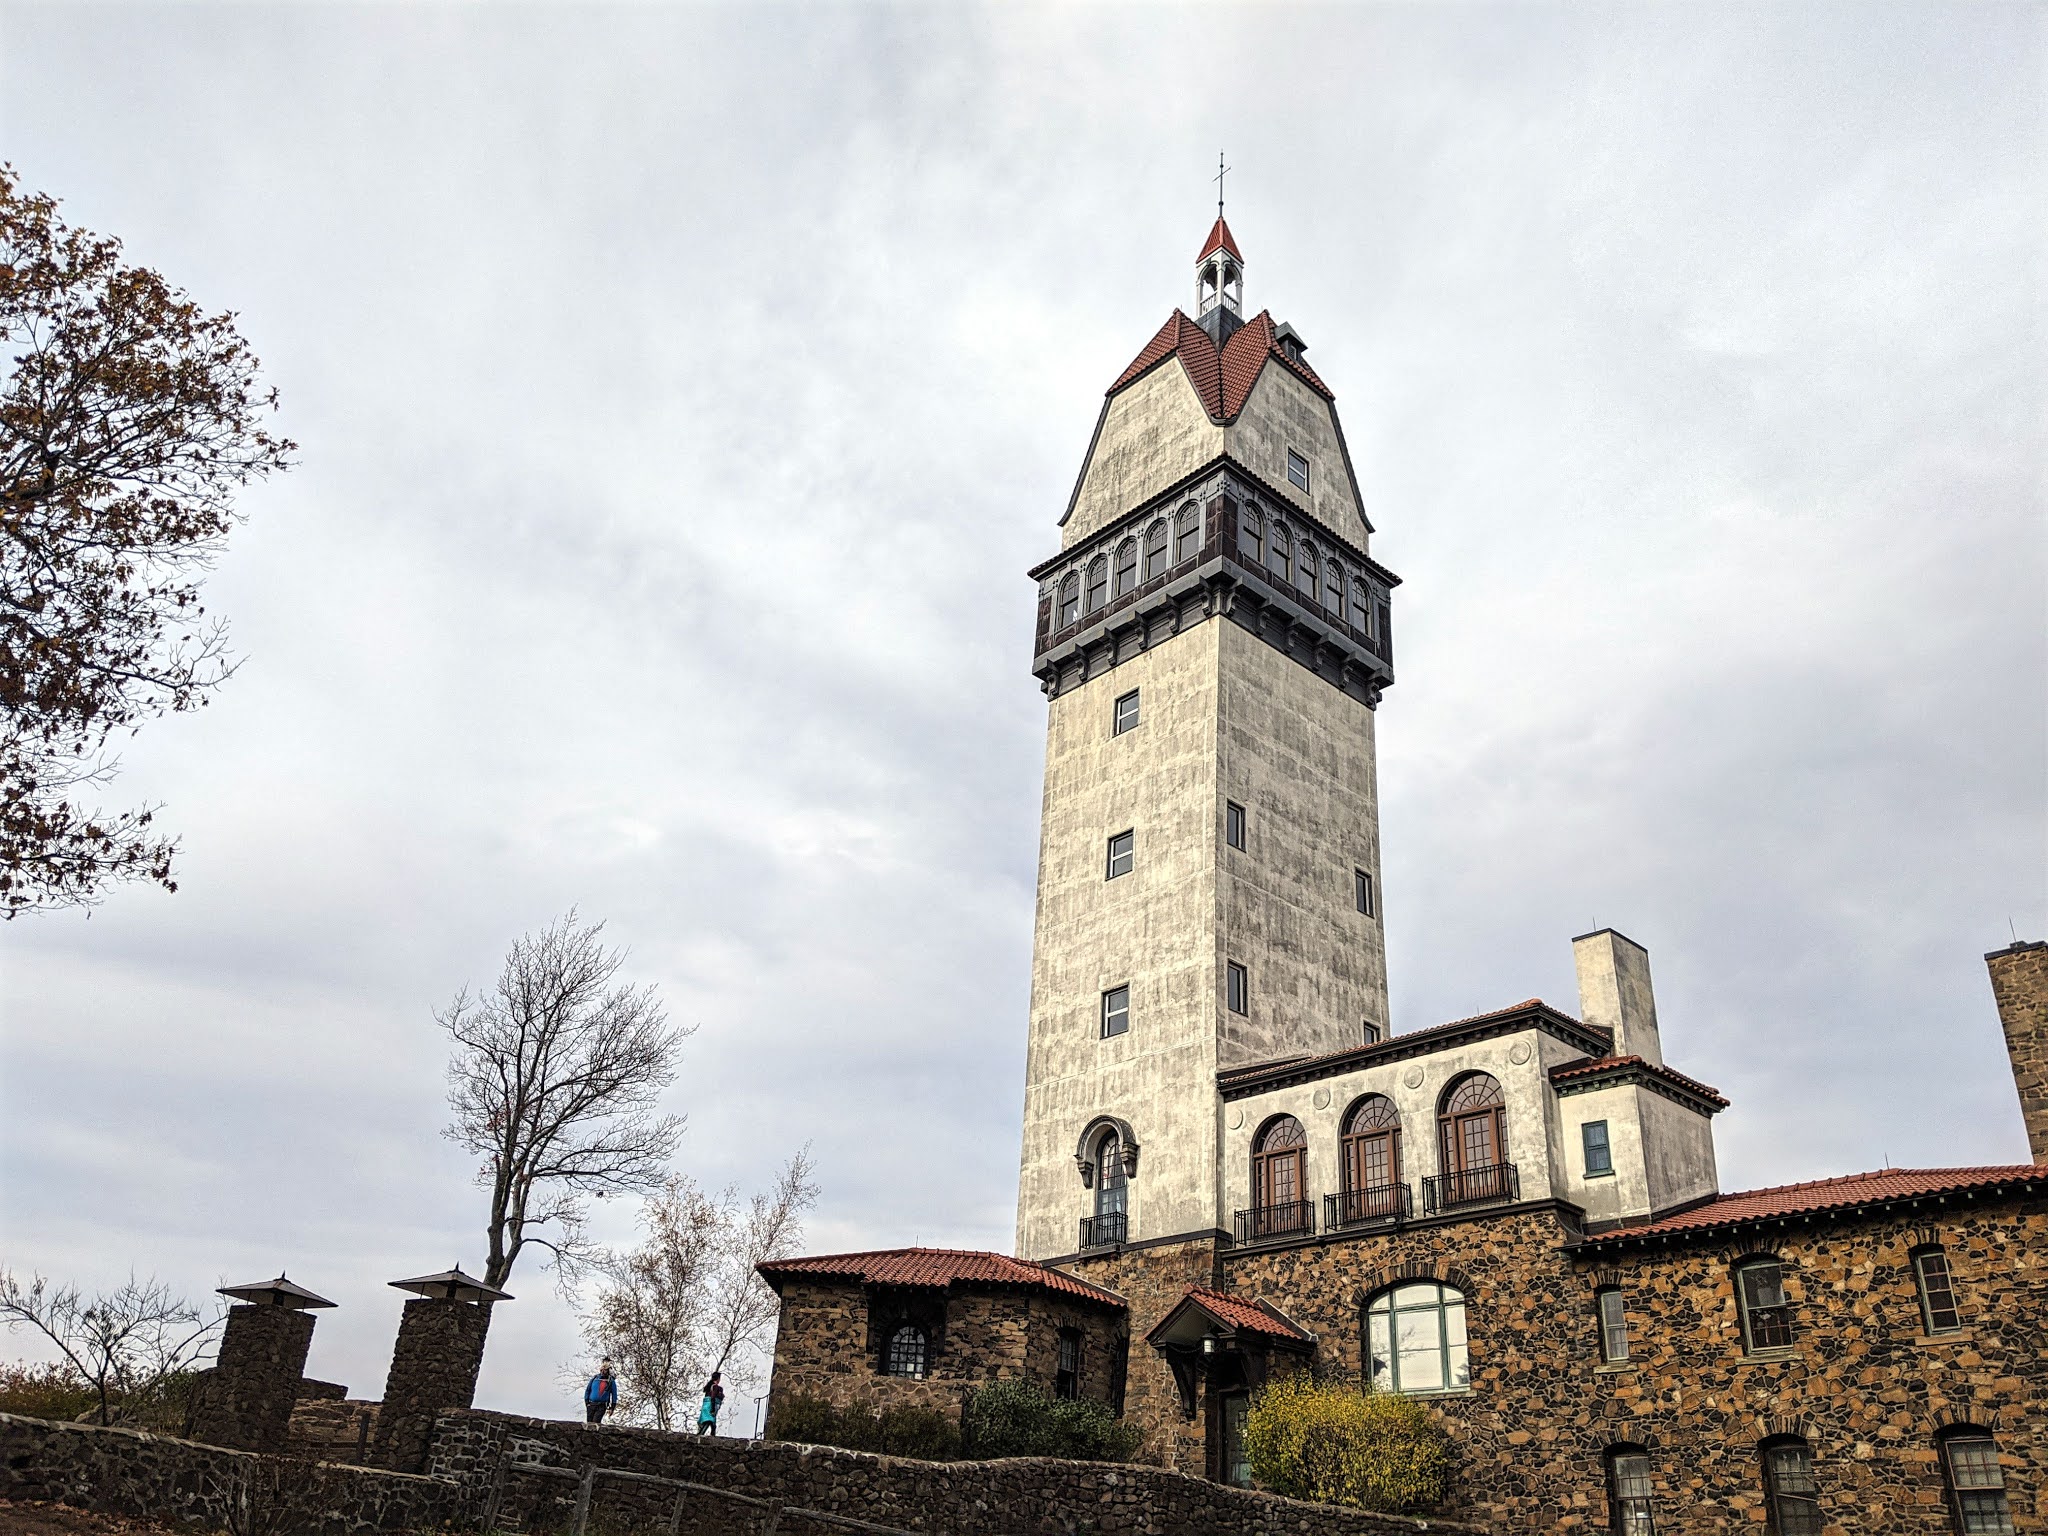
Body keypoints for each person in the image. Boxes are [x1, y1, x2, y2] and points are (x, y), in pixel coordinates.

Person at [584, 1358, 618, 1426]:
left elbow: (614, 1395)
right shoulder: (595, 1378)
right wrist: (587, 1402)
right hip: (591, 1404)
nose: (602, 1372)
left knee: (596, 1423)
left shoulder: (611, 1381)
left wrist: (612, 1407)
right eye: (601, 1370)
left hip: (601, 1405)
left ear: (608, 1371)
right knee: (589, 1424)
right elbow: (588, 1390)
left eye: (604, 1370)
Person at [696, 1371, 724, 1436]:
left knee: (709, 1422)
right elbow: (713, 1396)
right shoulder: (715, 1387)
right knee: (710, 1421)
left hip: (705, 1405)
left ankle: (703, 1434)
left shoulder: (708, 1387)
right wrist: (713, 1408)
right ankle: (703, 1435)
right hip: (711, 1405)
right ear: (718, 1379)